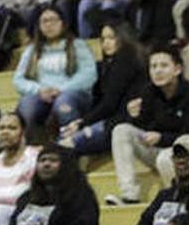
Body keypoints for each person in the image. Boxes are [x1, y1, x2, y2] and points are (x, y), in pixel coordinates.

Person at [106, 45, 189, 205]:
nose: (157, 71)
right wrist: (133, 117)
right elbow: (146, 126)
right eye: (153, 66)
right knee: (121, 130)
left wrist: (161, 138)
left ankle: (178, 199)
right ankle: (130, 195)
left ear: (177, 69)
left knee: (166, 158)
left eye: (163, 66)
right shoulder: (148, 92)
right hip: (162, 148)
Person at [61, 21, 147, 156]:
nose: (106, 43)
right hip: (113, 120)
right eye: (103, 39)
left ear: (124, 37)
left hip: (123, 122)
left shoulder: (126, 60)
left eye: (111, 38)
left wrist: (82, 123)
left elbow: (109, 104)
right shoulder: (109, 63)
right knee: (63, 140)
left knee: (62, 145)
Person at [12, 7, 97, 137]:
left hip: (74, 93)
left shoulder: (78, 45)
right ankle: (34, 148)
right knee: (27, 105)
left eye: (53, 20)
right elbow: (18, 80)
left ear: (62, 23)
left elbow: (88, 74)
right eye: (44, 21)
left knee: (63, 103)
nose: (48, 25)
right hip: (41, 94)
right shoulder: (31, 50)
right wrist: (39, 90)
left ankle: (71, 144)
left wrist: (61, 90)